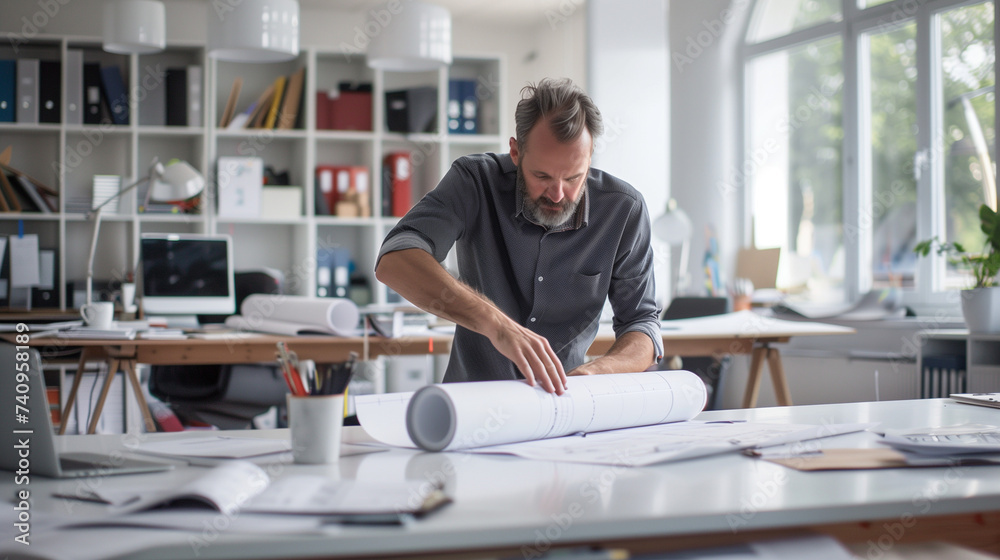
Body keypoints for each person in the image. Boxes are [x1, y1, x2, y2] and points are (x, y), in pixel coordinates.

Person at [375, 77, 662, 394]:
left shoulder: (623, 210)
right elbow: (395, 259)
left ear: (590, 156)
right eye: (542, 176)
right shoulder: (475, 181)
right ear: (515, 151)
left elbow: (642, 325)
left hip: (565, 406)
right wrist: (496, 325)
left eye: (572, 178)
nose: (557, 194)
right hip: (472, 405)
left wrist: (597, 373)